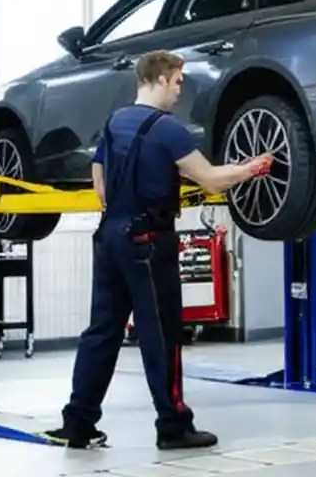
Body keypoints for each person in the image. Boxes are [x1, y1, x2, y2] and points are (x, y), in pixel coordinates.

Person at [43, 50, 272, 451]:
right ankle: (173, 425)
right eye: (179, 82)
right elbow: (213, 180)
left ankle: (78, 423)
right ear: (163, 79)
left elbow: (98, 179)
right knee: (161, 336)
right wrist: (252, 167)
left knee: (102, 332)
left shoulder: (114, 123)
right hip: (148, 244)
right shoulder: (169, 130)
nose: (180, 91)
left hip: (109, 238)